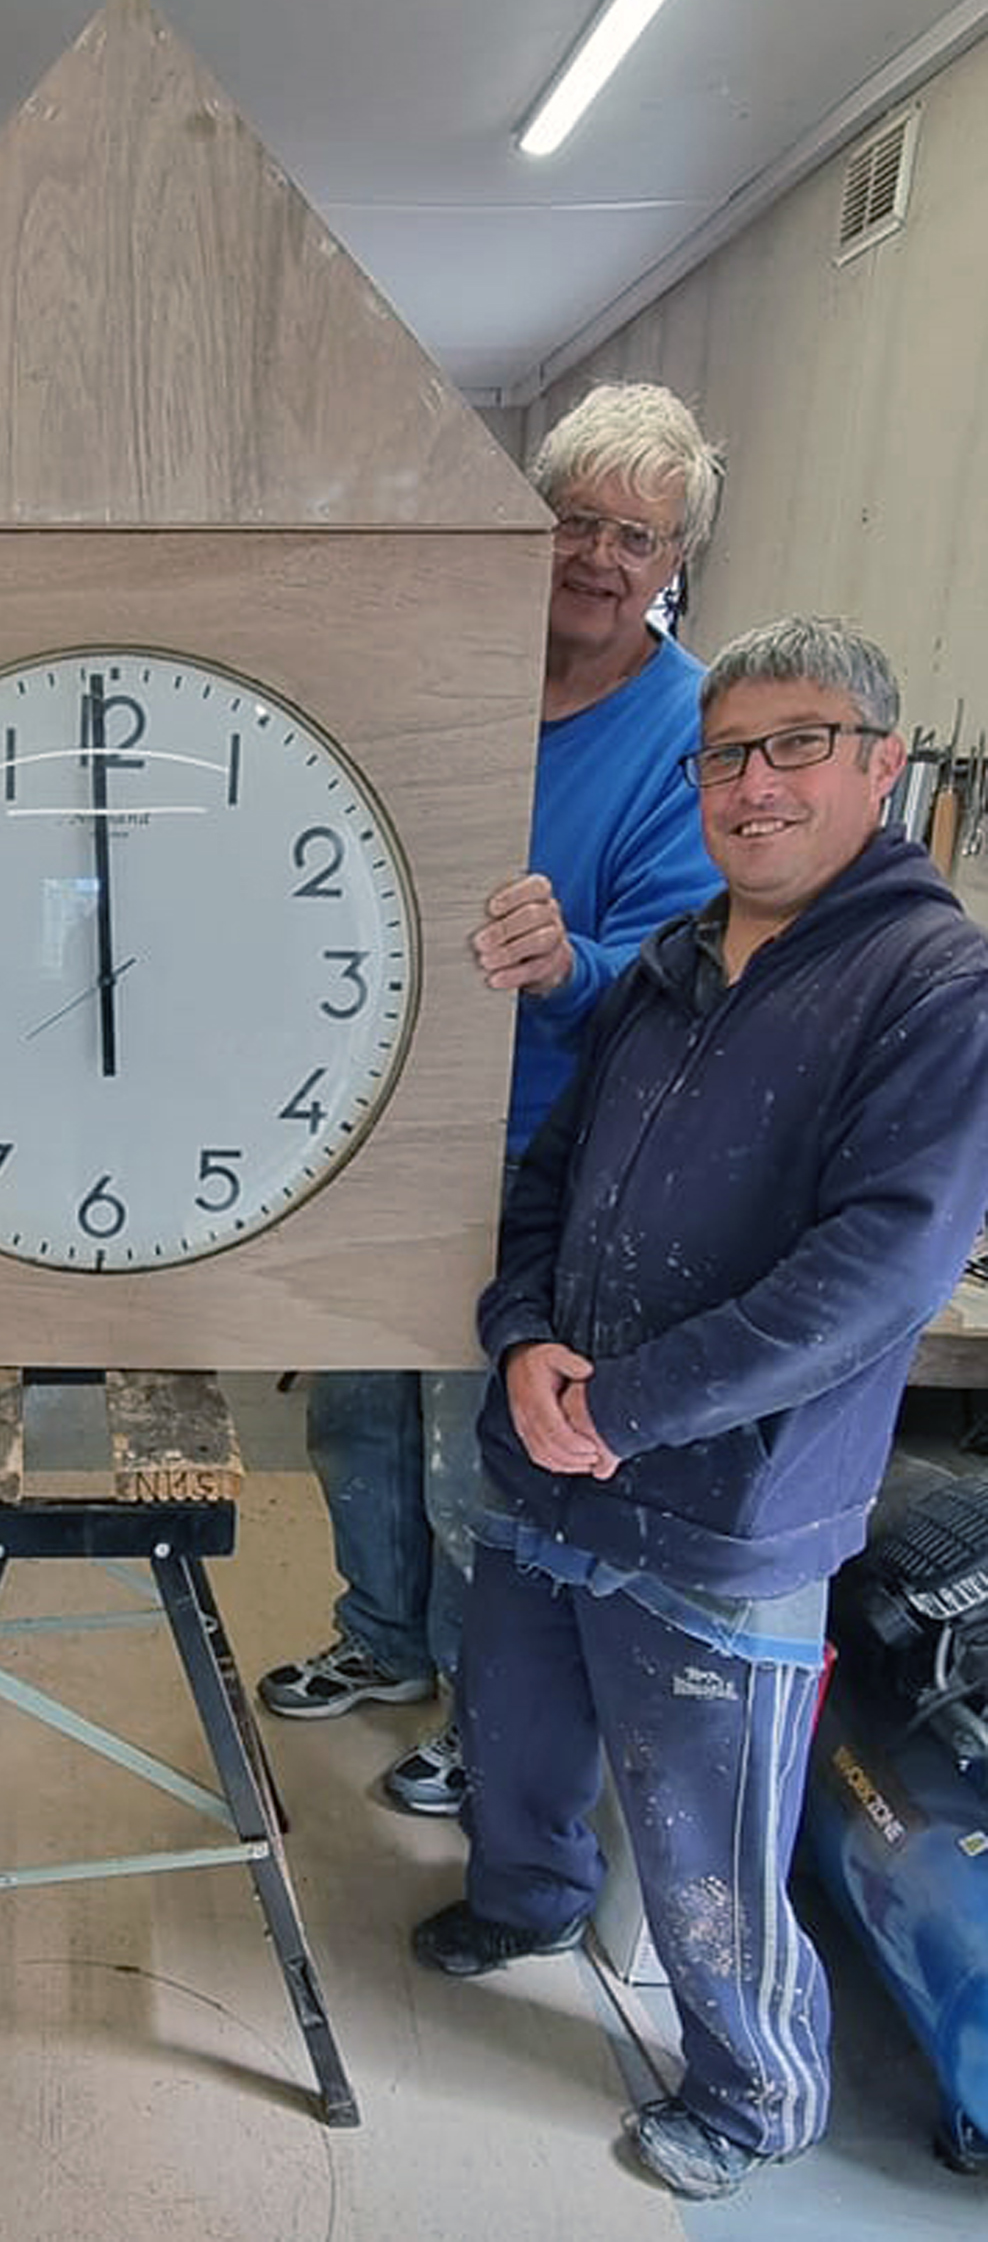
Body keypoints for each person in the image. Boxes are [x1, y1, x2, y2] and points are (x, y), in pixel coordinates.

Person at [411, 616, 988, 2202]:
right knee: (516, 1730)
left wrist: (630, 1405)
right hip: (554, 1453)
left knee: (706, 1820)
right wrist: (523, 1336)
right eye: (725, 753)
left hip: (723, 1496)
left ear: (883, 762)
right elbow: (541, 1181)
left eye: (796, 744)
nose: (753, 784)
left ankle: (750, 2087)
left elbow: (876, 1273)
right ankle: (526, 1898)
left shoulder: (933, 985)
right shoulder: (671, 961)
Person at [259, 382, 725, 1816]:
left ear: (671, 564)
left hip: (544, 1153)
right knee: (357, 1411)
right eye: (573, 520)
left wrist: (565, 959)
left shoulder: (688, 725)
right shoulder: (444, 673)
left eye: (633, 536)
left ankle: (486, 1709)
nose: (597, 556)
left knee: (485, 1457)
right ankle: (383, 1639)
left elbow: (682, 962)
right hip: (368, 1116)